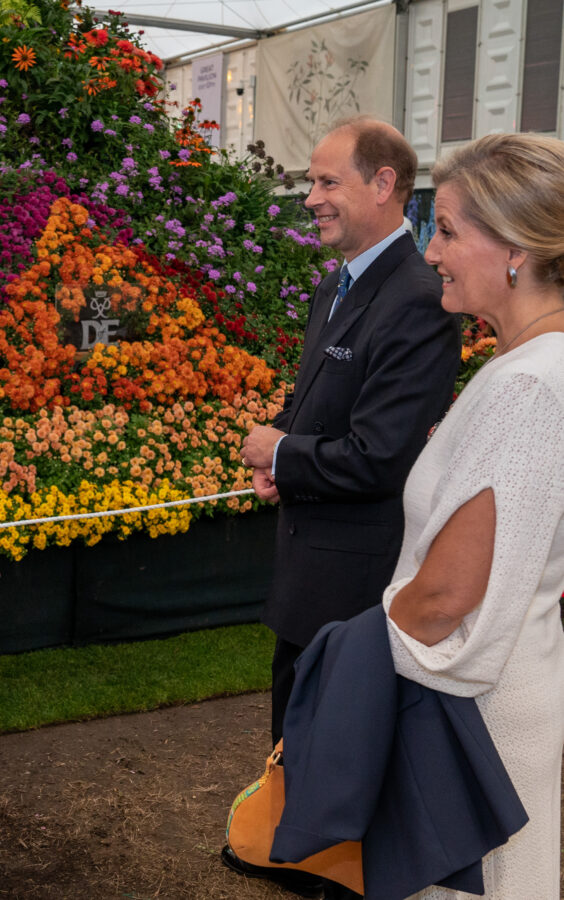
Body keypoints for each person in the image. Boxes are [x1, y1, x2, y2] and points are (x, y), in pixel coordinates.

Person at [227, 117, 460, 898]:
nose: (312, 197)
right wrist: (288, 465)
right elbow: (322, 410)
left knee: (344, 737)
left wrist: (282, 454)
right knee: (300, 724)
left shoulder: (418, 300)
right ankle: (293, 847)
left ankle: (337, 867)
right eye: (312, 181)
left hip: (358, 579)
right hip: (312, 562)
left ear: (384, 184)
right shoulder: (342, 280)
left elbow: (379, 453)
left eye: (328, 182)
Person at [382, 132, 564, 897]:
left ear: (517, 247)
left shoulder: (529, 384)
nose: (429, 252)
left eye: (448, 230)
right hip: (497, 693)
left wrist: (352, 666)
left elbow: (449, 595)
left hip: (473, 714)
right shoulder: (525, 366)